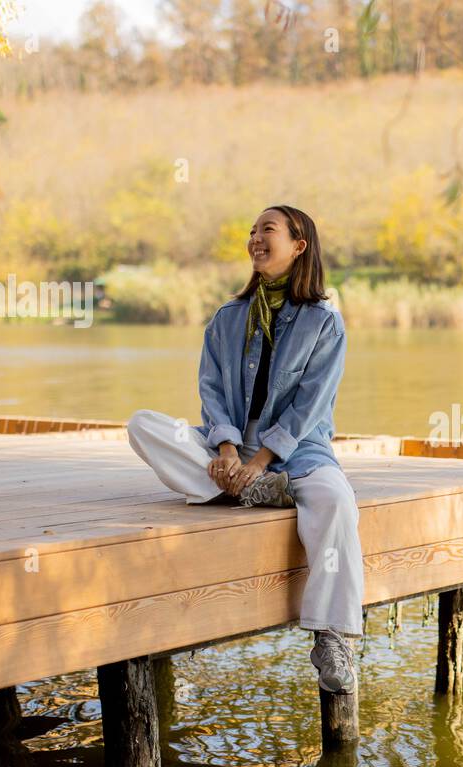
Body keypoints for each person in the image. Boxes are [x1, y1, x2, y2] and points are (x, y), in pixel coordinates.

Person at [126, 205, 363, 695]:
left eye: (267, 231)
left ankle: (331, 634)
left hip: (298, 451)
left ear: (299, 246)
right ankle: (254, 489)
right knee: (145, 426)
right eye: (252, 231)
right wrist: (228, 448)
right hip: (230, 447)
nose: (255, 238)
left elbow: (309, 405)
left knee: (336, 502)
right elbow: (211, 390)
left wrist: (259, 460)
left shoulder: (325, 323)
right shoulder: (227, 318)